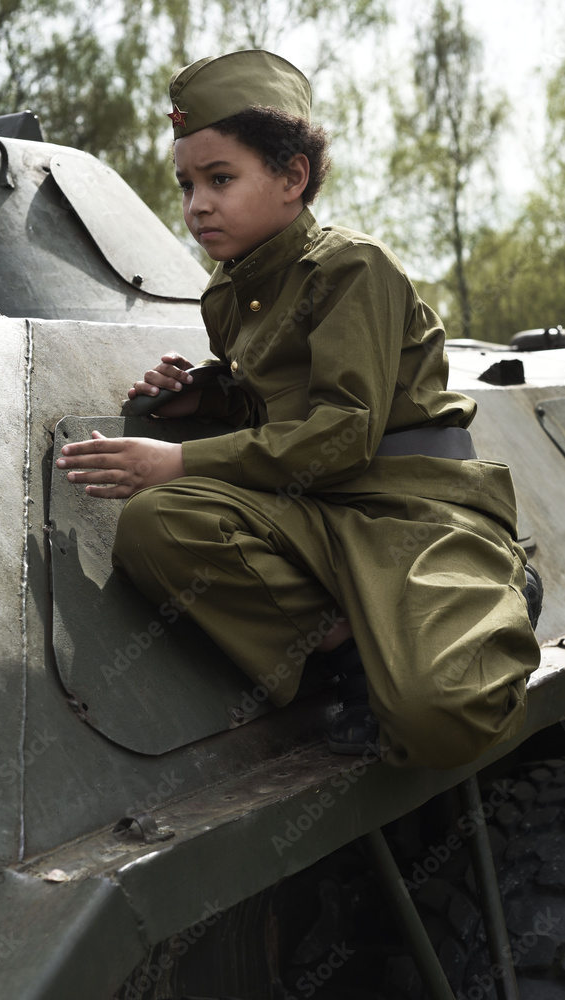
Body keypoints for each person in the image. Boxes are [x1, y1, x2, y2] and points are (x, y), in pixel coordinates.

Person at [56, 49, 542, 768]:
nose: (197, 204)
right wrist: (208, 392)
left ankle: (499, 590)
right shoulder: (227, 292)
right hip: (311, 513)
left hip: (408, 513)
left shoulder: (352, 267)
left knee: (437, 723)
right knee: (157, 525)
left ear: (292, 177)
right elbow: (275, 391)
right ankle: (344, 646)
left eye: (220, 179)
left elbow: (343, 432)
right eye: (186, 184)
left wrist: (181, 458)